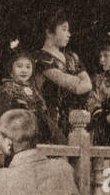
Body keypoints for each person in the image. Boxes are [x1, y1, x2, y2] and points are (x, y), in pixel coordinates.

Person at [34, 10, 92, 140]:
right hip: (50, 120)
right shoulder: (41, 58)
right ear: (49, 32)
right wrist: (77, 80)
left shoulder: (72, 57)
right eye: (64, 30)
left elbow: (88, 85)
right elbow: (76, 87)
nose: (69, 34)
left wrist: (75, 82)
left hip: (75, 122)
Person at [0, 41, 60, 142]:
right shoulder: (8, 87)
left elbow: (42, 106)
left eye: (28, 67)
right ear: (11, 71)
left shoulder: (33, 88)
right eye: (19, 66)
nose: (24, 70)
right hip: (17, 125)